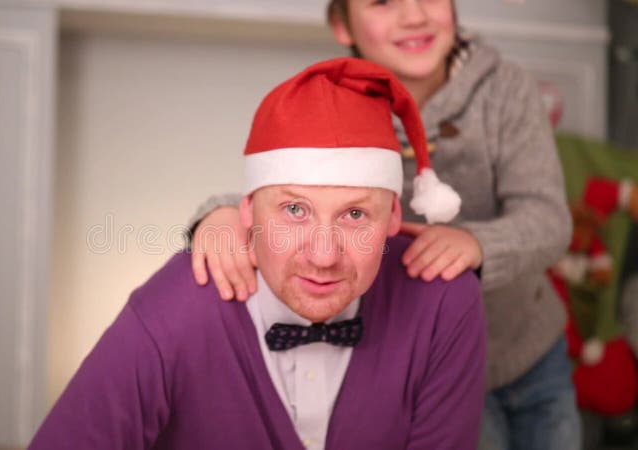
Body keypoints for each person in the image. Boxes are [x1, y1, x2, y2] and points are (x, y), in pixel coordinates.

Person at [30, 58, 486, 450]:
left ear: (392, 218)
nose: (324, 255)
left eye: (354, 215)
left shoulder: (444, 303)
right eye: (294, 210)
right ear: (246, 210)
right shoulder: (180, 306)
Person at [188, 1, 577, 449]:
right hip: (430, 368)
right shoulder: (333, 104)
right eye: (382, 2)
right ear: (341, 24)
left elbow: (548, 219)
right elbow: (287, 196)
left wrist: (476, 243)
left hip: (531, 351)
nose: (413, 16)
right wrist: (218, 212)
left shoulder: (507, 89)